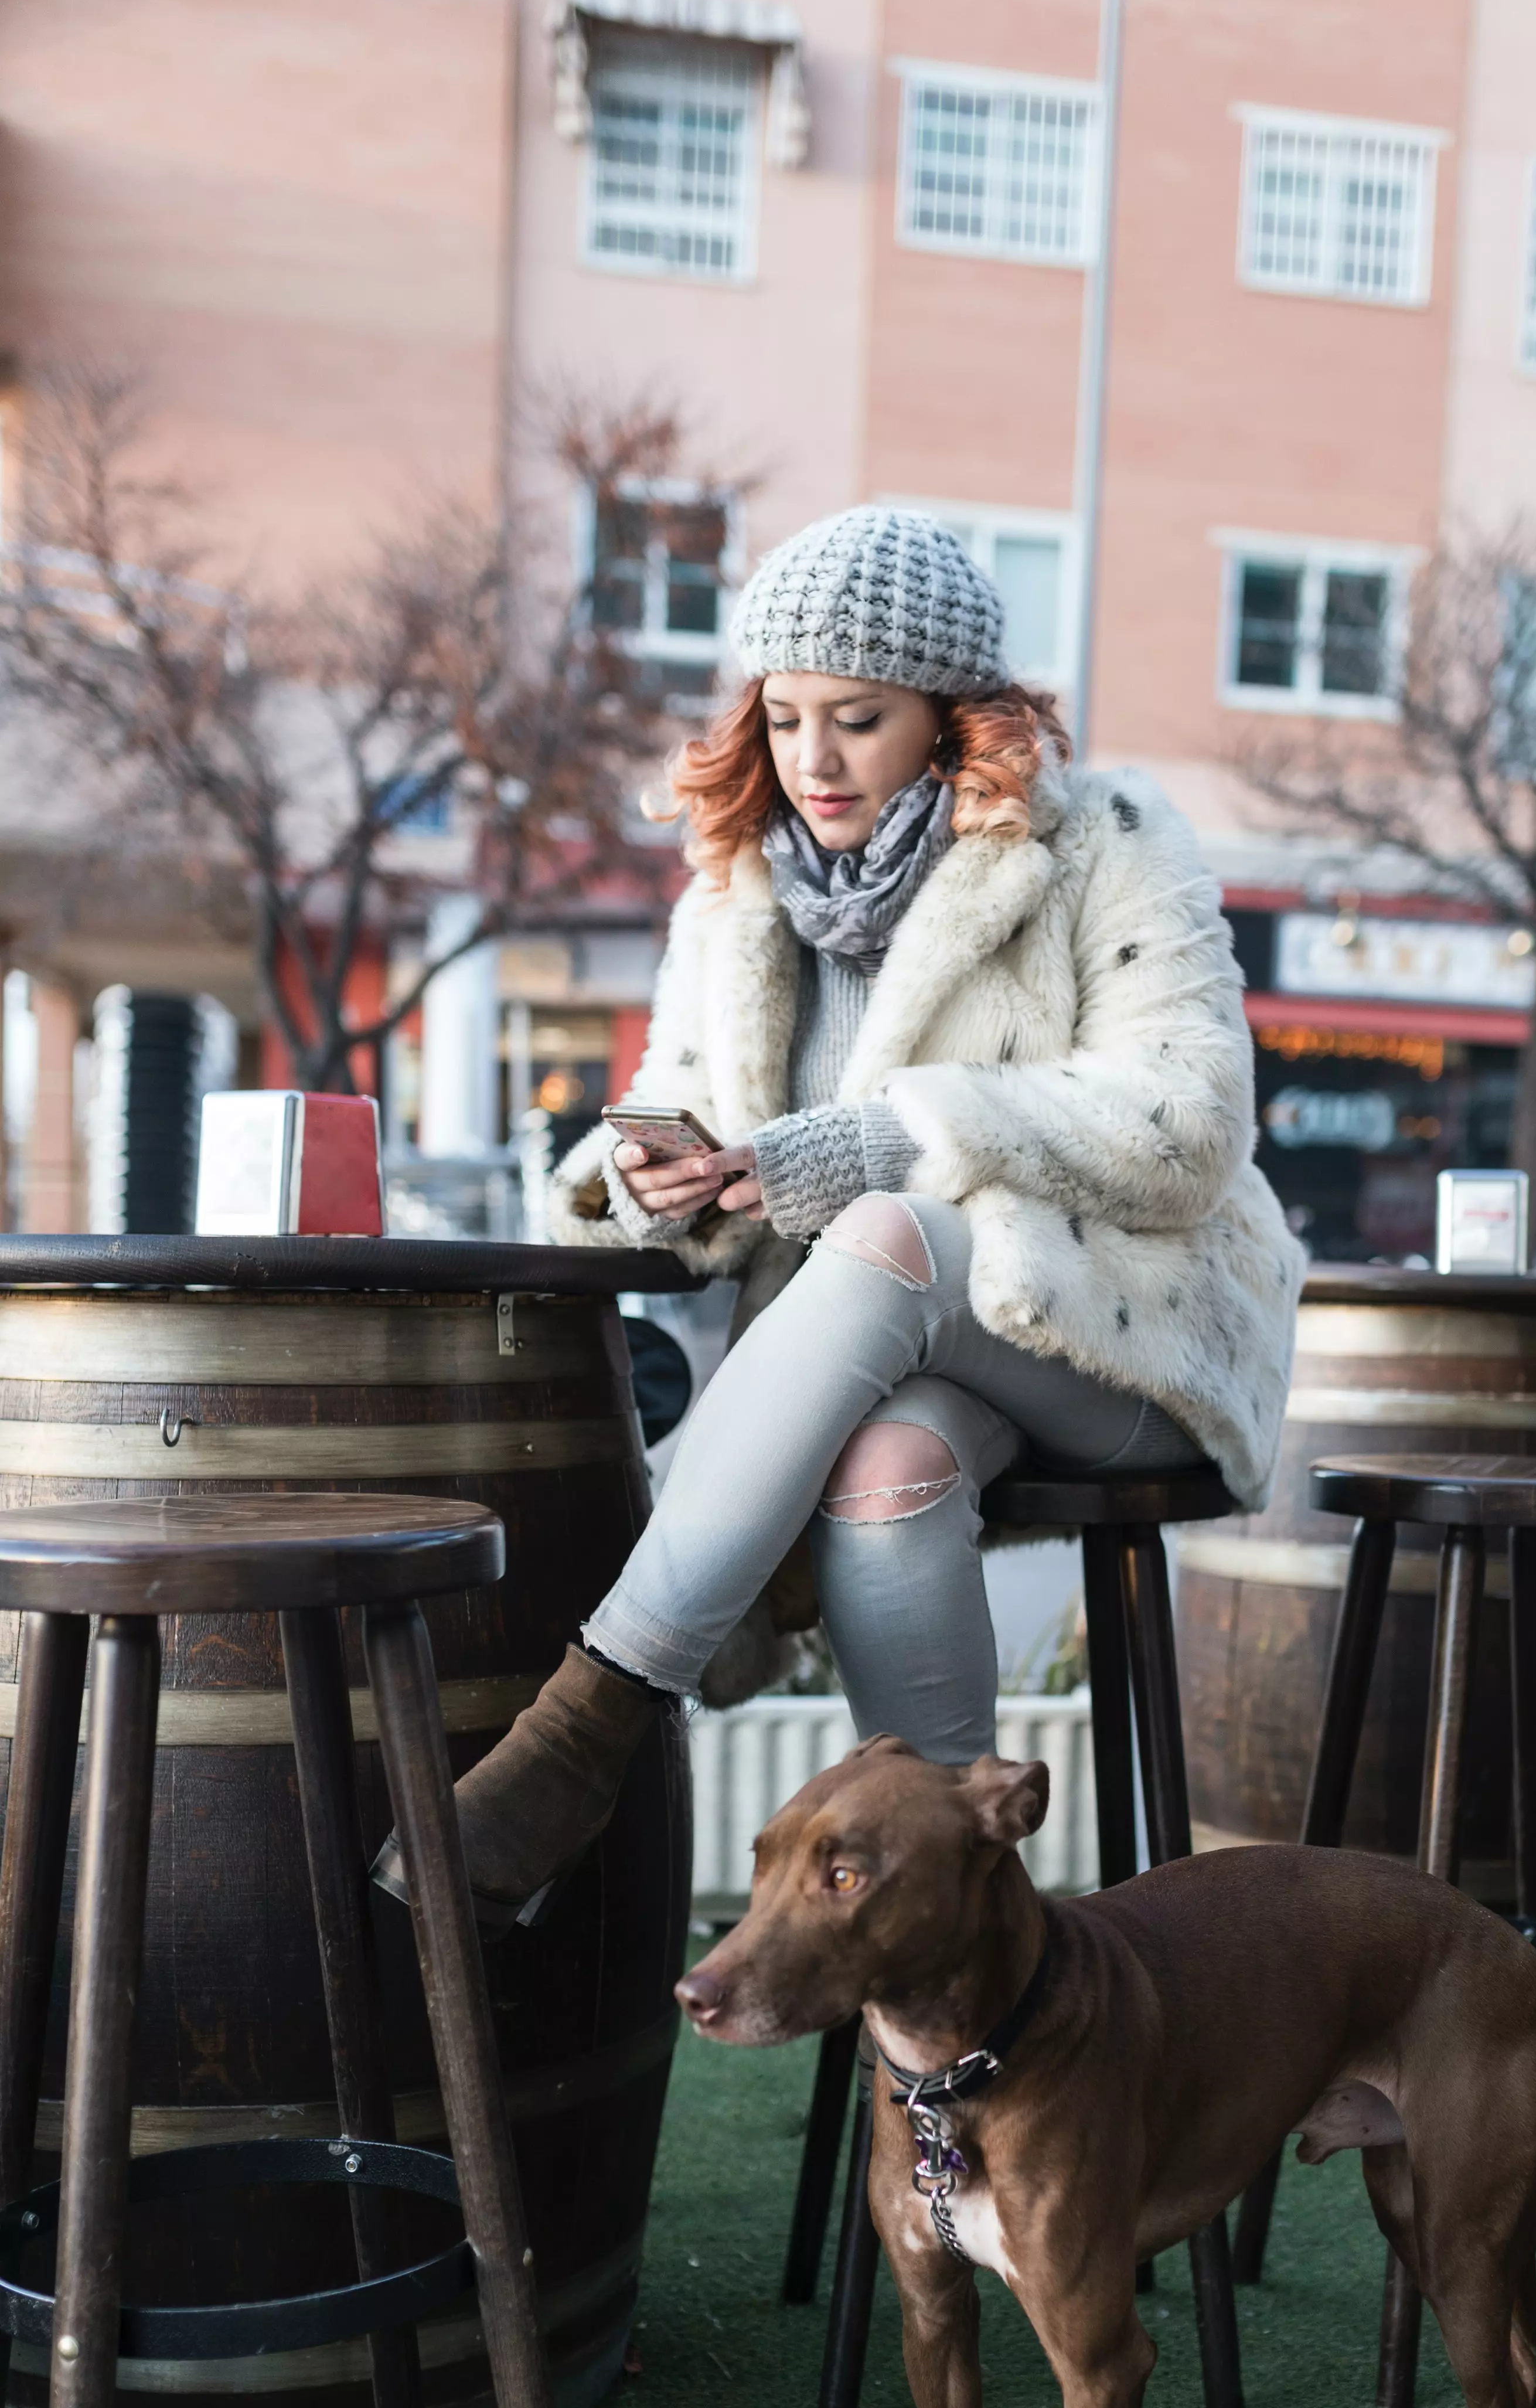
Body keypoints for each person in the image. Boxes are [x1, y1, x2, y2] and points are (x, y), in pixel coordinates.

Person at [376, 505, 1302, 1933]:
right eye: (786, 714)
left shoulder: (1105, 840)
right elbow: (665, 1110)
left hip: (1125, 1341)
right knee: (885, 1466)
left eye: (857, 720)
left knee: (892, 1230)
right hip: (891, 1370)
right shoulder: (735, 892)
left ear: (948, 718)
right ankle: (948, 1928)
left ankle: (588, 1724)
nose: (811, 759)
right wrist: (656, 1181)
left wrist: (893, 1137)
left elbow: (1187, 1127)